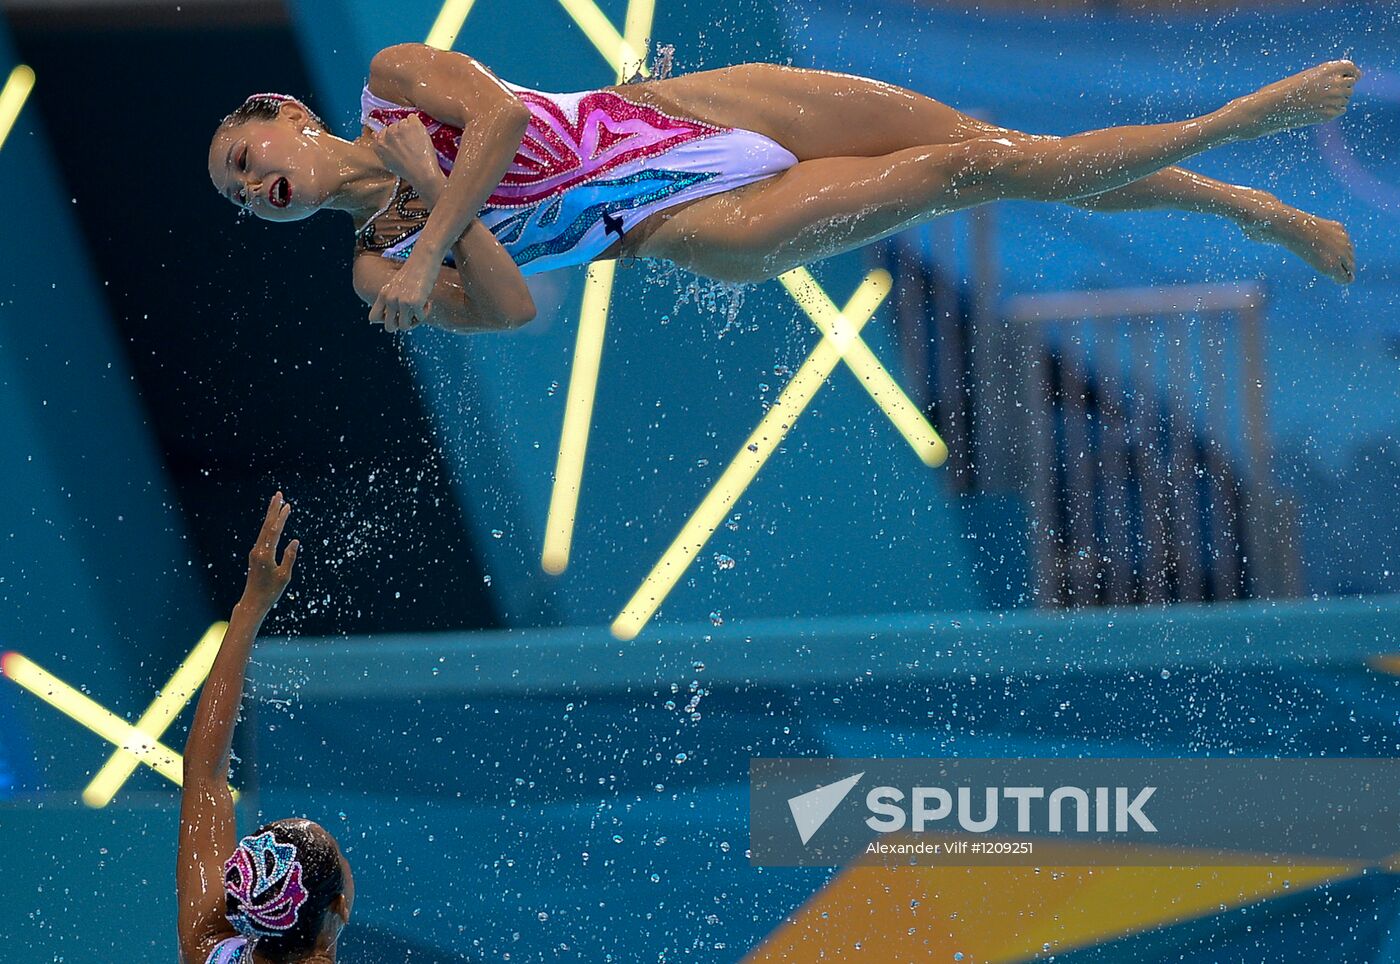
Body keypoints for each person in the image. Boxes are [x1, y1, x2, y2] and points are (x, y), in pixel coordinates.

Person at [208, 44, 1359, 334]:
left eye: (248, 155)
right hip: (694, 222)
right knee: (968, 174)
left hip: (698, 109)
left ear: (290, 120)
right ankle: (1242, 122)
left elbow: (503, 120)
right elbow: (513, 311)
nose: (255, 184)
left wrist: (431, 217)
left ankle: (1253, 207)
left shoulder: (392, 82)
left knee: (1002, 145)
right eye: (237, 195)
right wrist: (423, 252)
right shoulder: (378, 262)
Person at [177, 493, 355, 963]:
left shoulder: (211, 954)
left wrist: (250, 606)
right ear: (339, 908)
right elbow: (204, 774)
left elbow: (205, 773)